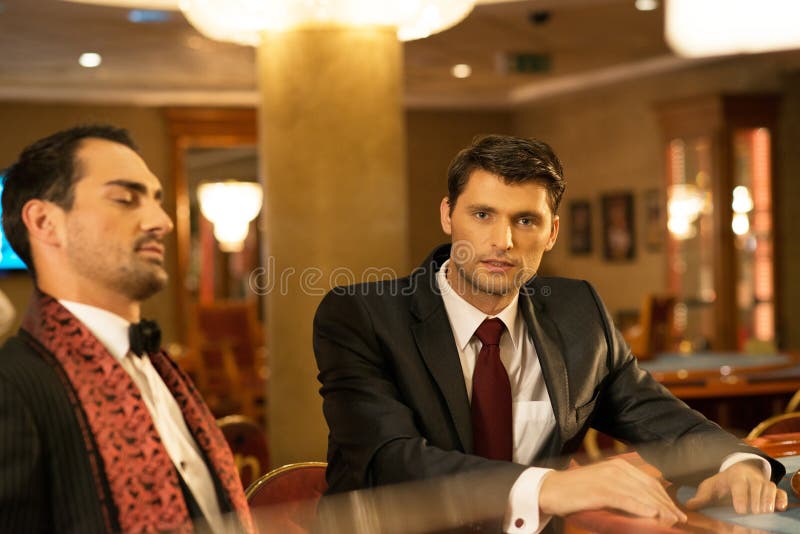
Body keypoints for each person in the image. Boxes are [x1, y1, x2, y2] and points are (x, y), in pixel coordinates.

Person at [313, 135, 787, 533]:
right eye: (483, 215)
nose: (503, 241)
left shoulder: (578, 311)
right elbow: (392, 462)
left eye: (526, 220)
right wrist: (551, 486)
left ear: (553, 231)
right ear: (447, 215)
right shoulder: (361, 316)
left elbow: (658, 416)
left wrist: (736, 463)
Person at [0, 125, 254, 533]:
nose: (162, 221)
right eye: (125, 199)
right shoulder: (12, 388)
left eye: (155, 200)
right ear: (45, 221)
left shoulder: (164, 372)